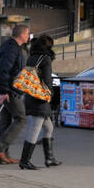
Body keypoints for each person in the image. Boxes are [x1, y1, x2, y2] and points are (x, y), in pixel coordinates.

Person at [0, 22, 30, 164]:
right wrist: (4, 91)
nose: (28, 36)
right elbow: (3, 70)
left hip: (7, 89)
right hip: (8, 90)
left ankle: (2, 157)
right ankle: (0, 147)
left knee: (5, 121)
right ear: (21, 34)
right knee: (21, 118)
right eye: (27, 33)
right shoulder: (11, 48)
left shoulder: (13, 47)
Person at [19, 35, 62, 169]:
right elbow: (47, 79)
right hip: (40, 98)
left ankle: (49, 158)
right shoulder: (46, 58)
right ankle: (25, 160)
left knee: (48, 127)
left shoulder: (32, 57)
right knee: (35, 128)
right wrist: (50, 94)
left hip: (31, 95)